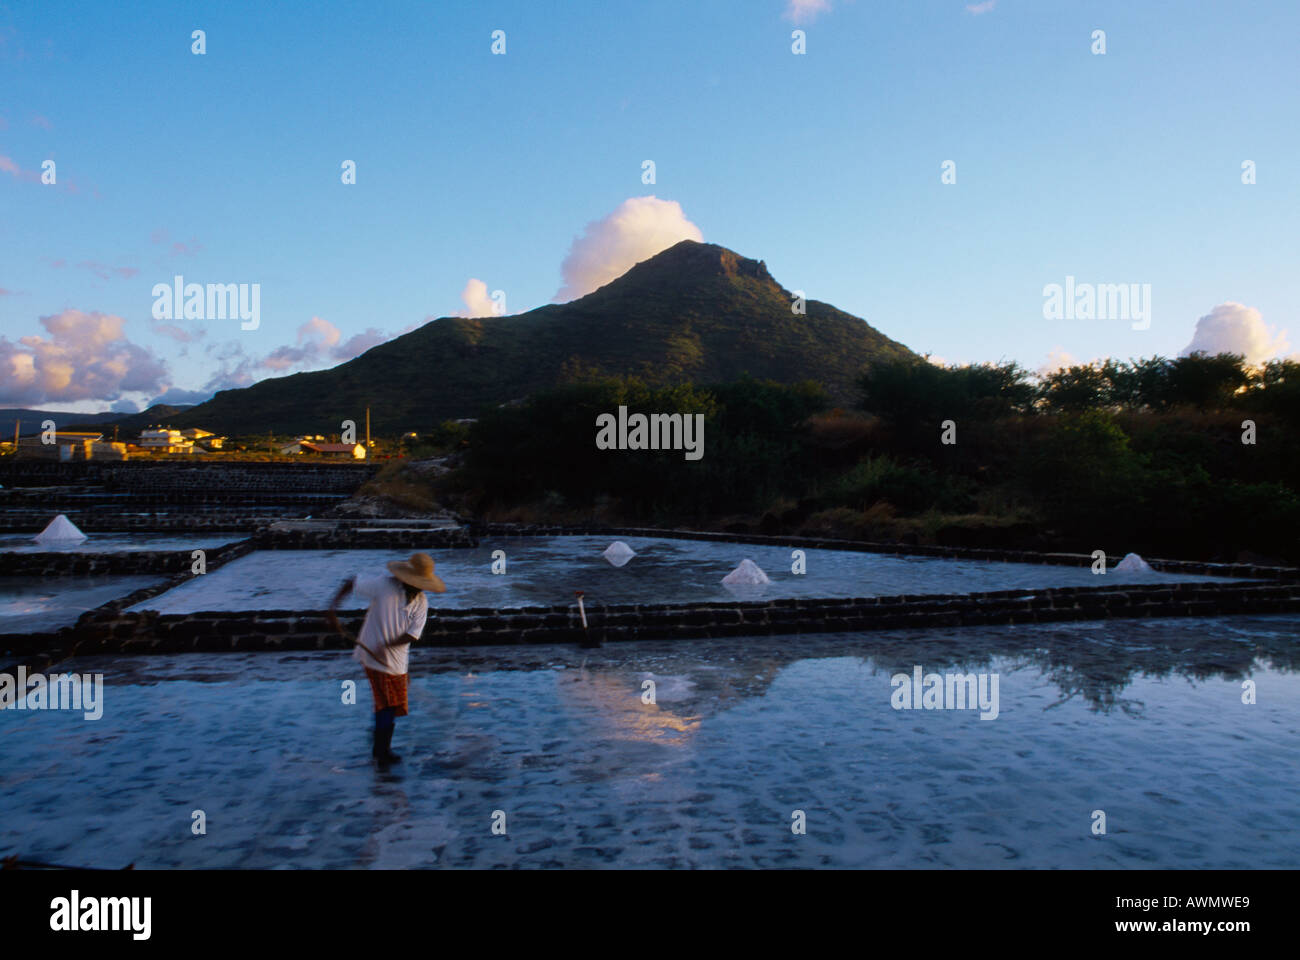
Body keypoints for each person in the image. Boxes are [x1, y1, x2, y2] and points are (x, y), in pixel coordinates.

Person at [327, 552, 446, 766]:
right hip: (373, 656)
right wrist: (332, 607)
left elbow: (412, 634)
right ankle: (381, 752)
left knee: (392, 704)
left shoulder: (421, 601)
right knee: (386, 704)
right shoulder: (383, 585)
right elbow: (351, 582)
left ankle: (381, 747)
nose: (417, 587)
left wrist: (388, 646)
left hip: (398, 660)